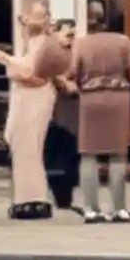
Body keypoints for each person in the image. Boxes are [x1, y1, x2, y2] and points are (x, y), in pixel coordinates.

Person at [0, 0, 69, 220]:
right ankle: (28, 197)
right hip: (28, 96)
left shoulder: (44, 42)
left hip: (34, 97)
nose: (41, 20)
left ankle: (31, 200)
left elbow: (30, 73)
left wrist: (6, 59)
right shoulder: (33, 42)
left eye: (42, 15)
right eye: (35, 16)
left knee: (28, 146)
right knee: (23, 146)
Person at [74, 0, 130, 223]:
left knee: (88, 153)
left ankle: (91, 209)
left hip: (90, 99)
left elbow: (73, 72)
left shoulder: (82, 43)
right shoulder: (124, 42)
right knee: (117, 154)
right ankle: (119, 208)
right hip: (118, 99)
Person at [44, 19, 81, 212]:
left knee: (70, 152)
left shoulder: (72, 52)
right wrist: (64, 82)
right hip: (55, 110)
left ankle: (65, 196)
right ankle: (59, 195)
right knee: (56, 153)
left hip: (70, 111)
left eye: (74, 35)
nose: (72, 39)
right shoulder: (51, 52)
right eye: (68, 35)